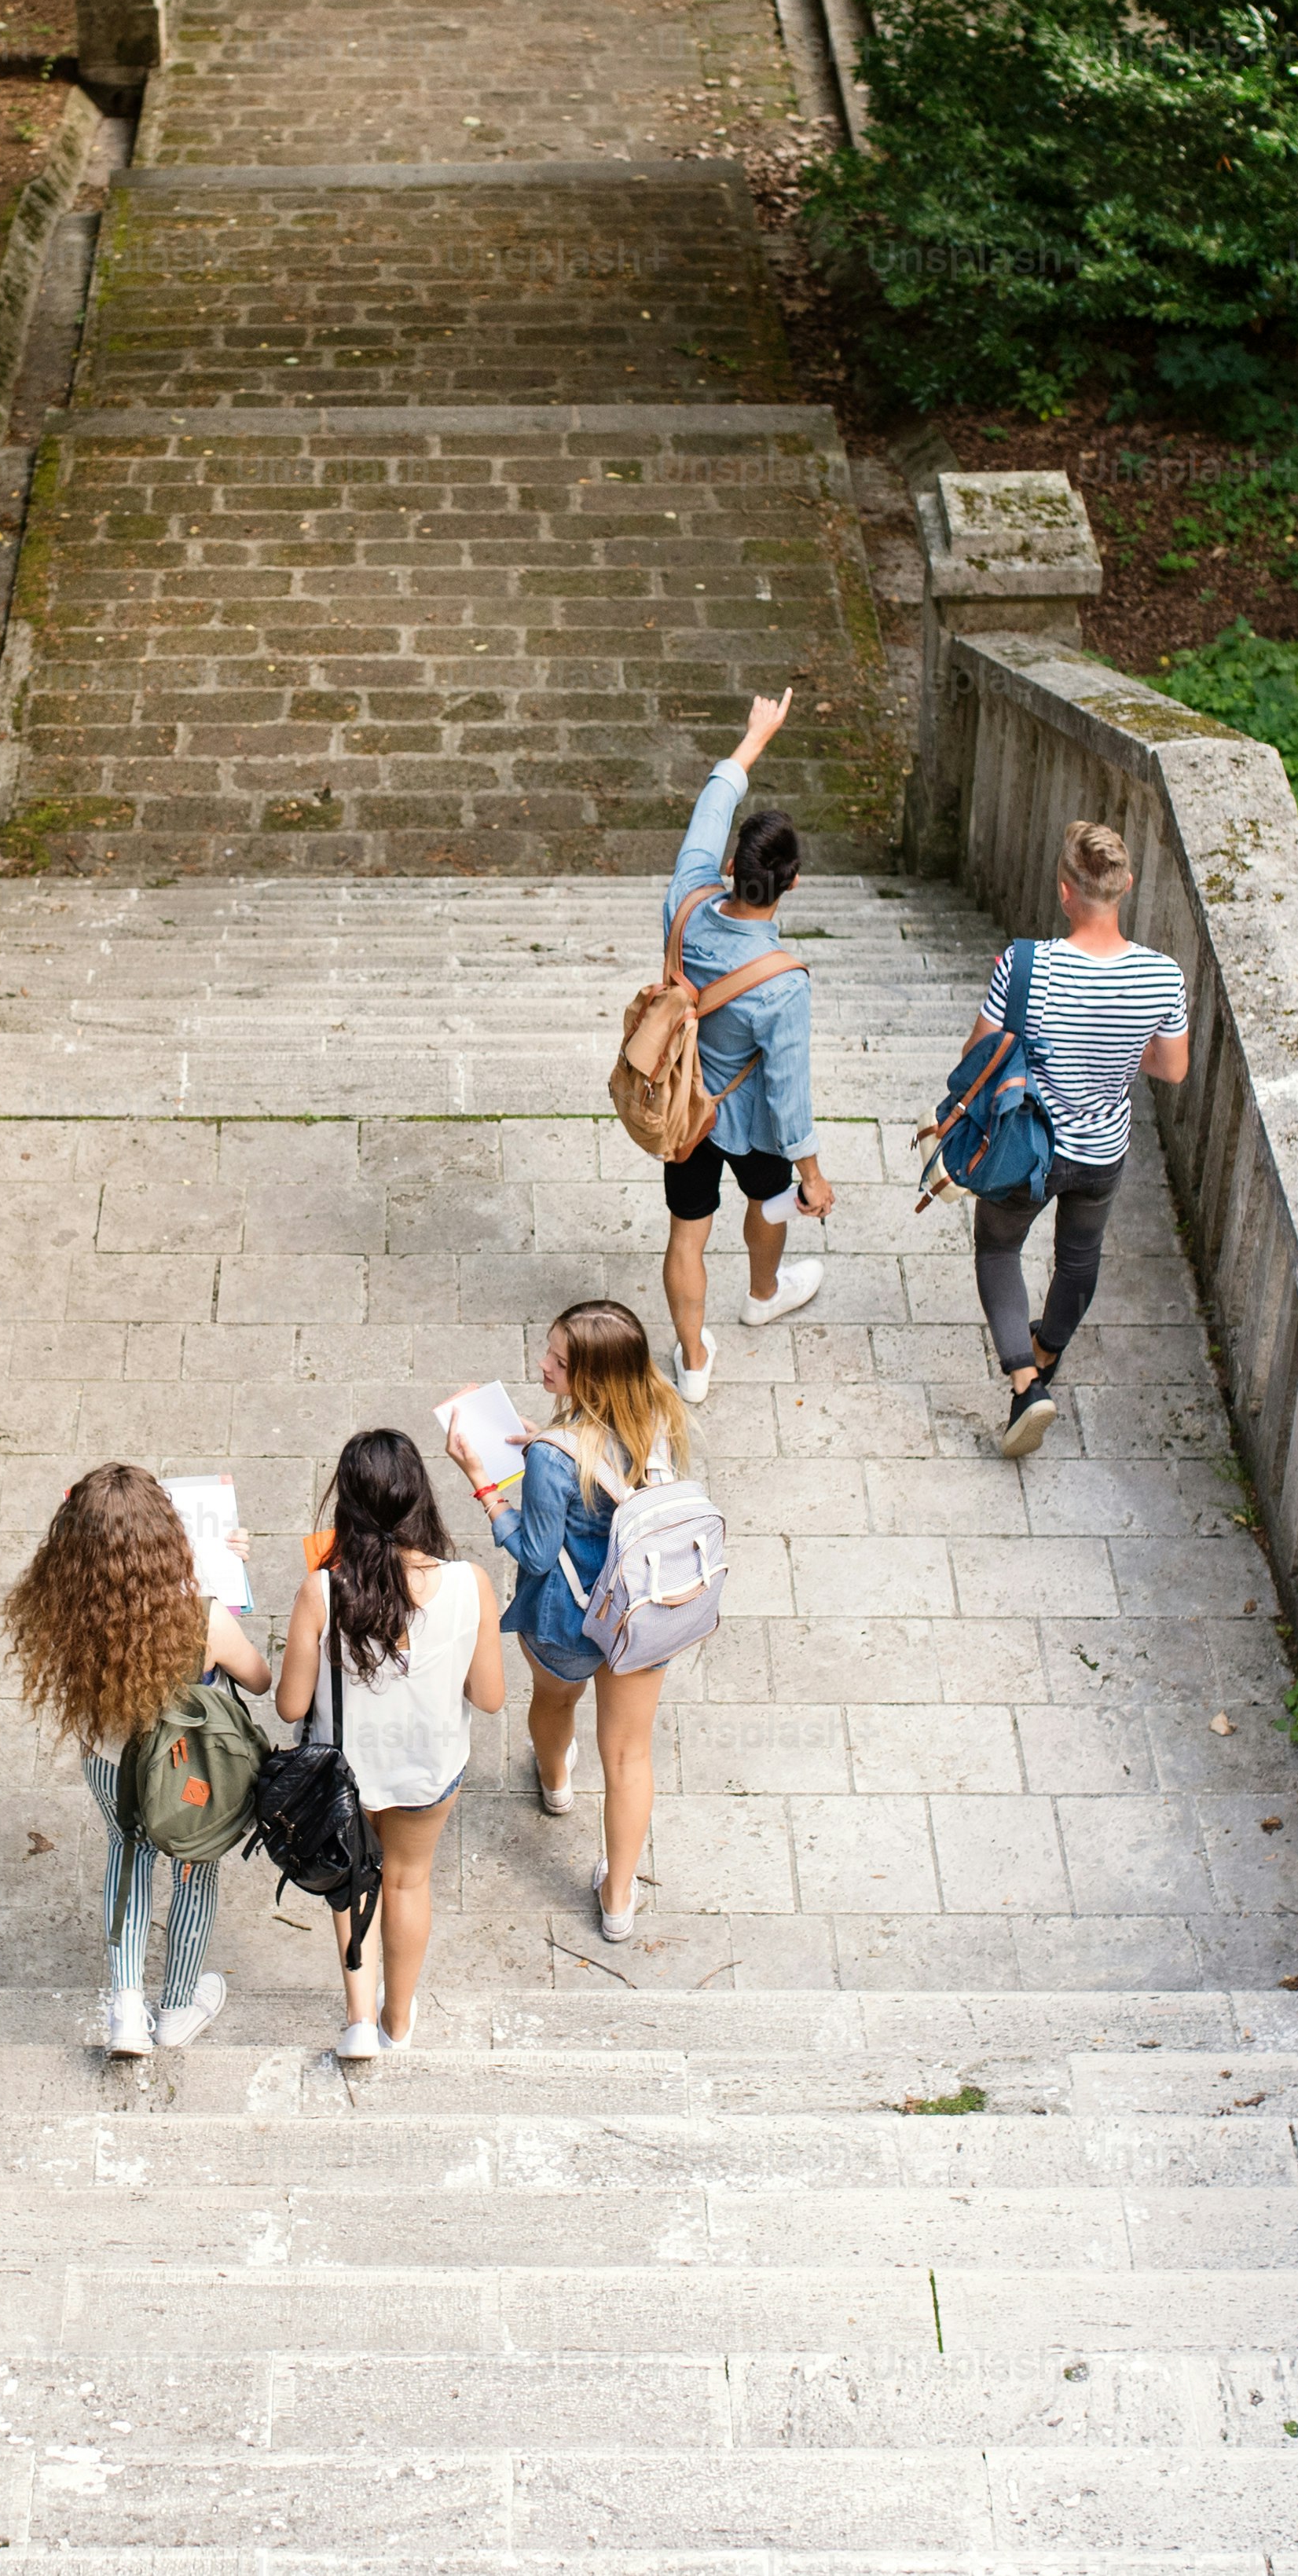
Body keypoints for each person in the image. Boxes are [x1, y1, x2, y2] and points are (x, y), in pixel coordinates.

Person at [0, 1464, 274, 2057]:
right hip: (188, 1771)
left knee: (126, 1854)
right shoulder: (203, 1618)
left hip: (107, 1760)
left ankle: (126, 2010)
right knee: (193, 1868)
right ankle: (177, 2007)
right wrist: (226, 1579)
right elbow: (257, 1679)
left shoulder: (65, 1607)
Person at [448, 1297, 691, 1944]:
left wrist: (484, 1482)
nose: (543, 1364)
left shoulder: (555, 1460)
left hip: (569, 1621)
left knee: (554, 1702)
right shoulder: (660, 1417)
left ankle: (555, 1782)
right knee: (629, 1753)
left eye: (558, 1360)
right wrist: (549, 1444)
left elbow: (532, 1549)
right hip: (644, 1614)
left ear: (591, 1378)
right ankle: (617, 1899)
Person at [273, 1430, 503, 2058]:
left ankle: (356, 2021)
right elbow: (488, 1696)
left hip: (342, 1775)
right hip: (427, 1768)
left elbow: (290, 1705)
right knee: (406, 1882)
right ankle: (397, 2021)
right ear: (418, 1498)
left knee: (352, 1883)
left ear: (345, 1504)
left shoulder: (322, 1590)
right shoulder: (469, 1582)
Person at [972, 818, 1190, 1456]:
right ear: (1125, 886)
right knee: (1078, 1258)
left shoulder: (1024, 965)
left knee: (997, 1250)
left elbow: (980, 1054)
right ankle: (1045, 1350)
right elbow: (1171, 1067)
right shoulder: (1161, 975)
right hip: (1102, 1150)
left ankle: (1023, 1381)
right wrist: (1115, 1054)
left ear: (1065, 890)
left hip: (1026, 1147)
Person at [659, 688, 837, 1402]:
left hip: (685, 1108)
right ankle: (763, 1292)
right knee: (768, 1202)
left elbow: (710, 806)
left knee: (685, 1235)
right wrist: (814, 1177)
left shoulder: (686, 898)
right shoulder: (782, 983)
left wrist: (752, 740)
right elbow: (790, 1096)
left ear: (731, 864)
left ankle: (693, 1360)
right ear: (792, 885)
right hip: (753, 1122)